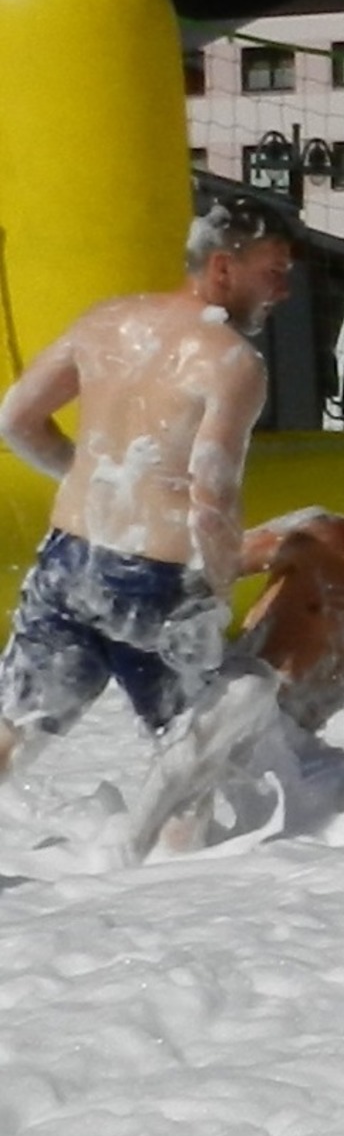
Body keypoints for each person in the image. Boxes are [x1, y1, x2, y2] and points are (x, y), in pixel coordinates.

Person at [0, 194, 295, 782]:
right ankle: (171, 867)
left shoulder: (104, 320)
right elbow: (211, 497)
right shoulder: (234, 361)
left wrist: (87, 478)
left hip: (68, 558)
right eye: (273, 272)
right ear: (221, 268)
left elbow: (15, 420)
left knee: (13, 729)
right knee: (193, 756)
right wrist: (213, 590)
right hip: (156, 582)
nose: (283, 290)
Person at [130, 442, 344, 856]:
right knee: (250, 691)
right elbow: (204, 569)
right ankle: (127, 850)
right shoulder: (319, 540)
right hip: (225, 710)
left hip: (292, 745)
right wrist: (168, 654)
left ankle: (307, 892)